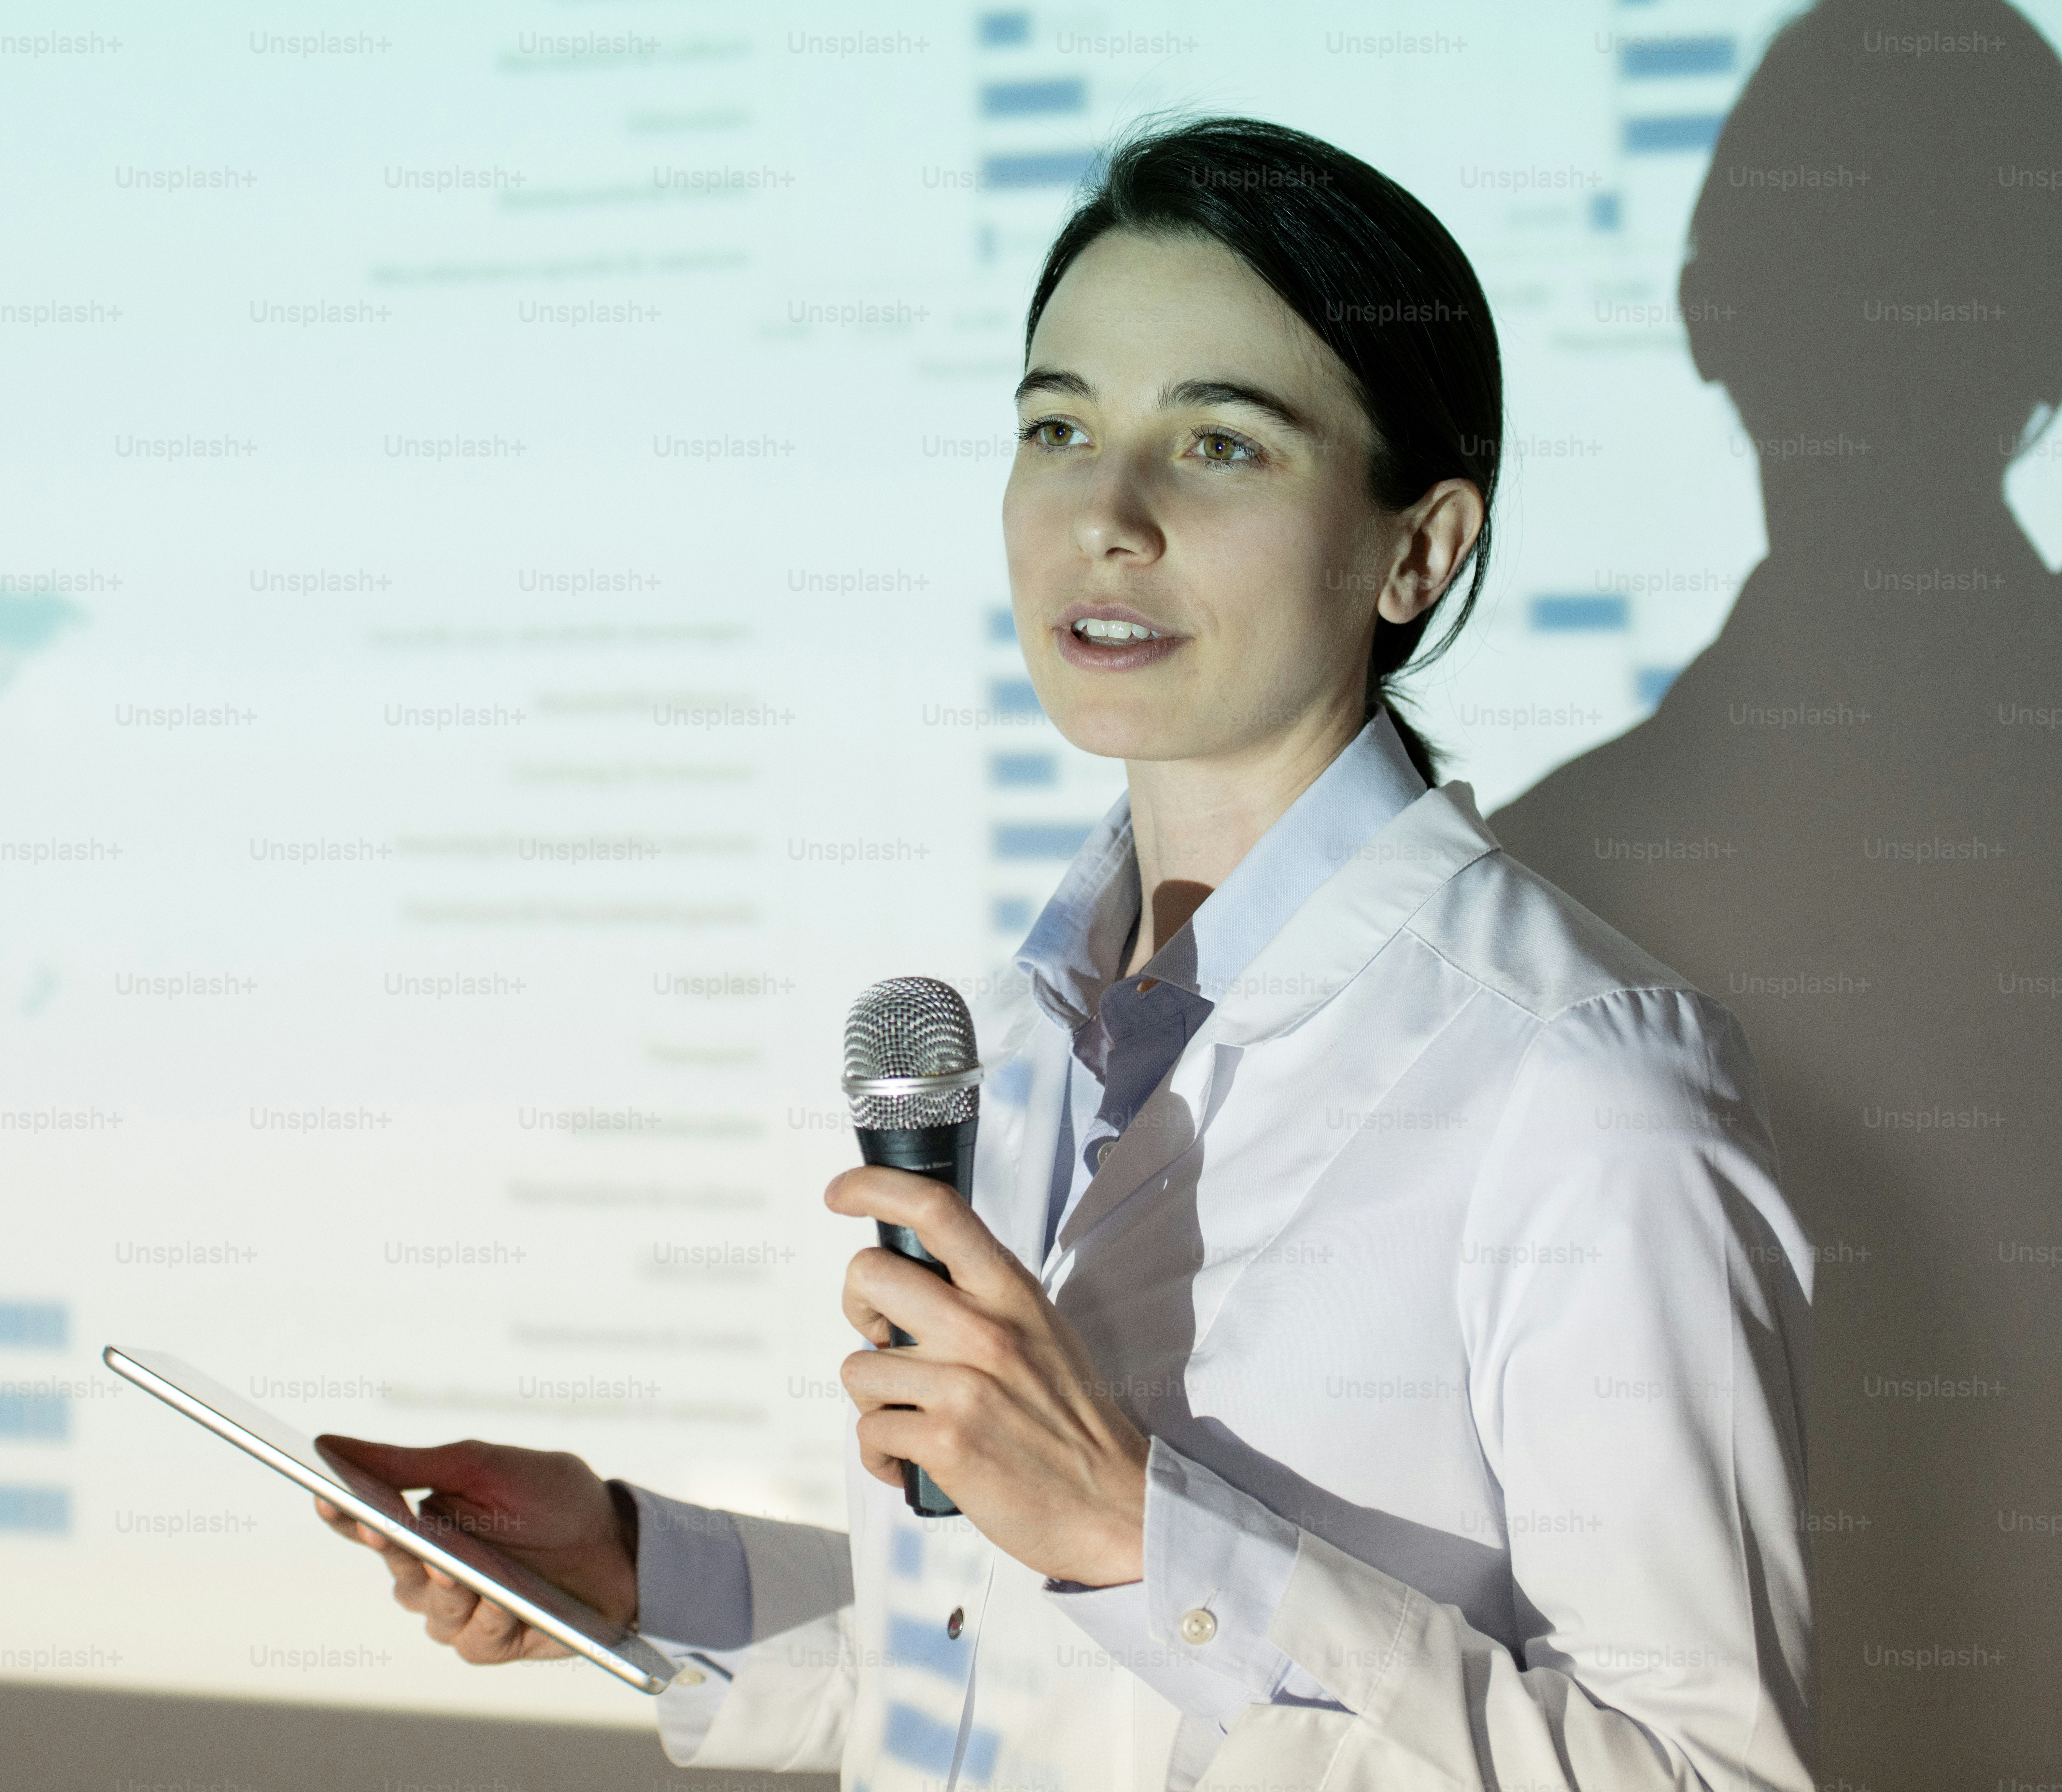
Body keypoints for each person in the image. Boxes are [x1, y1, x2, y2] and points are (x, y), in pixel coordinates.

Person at [315, 116, 1816, 1792]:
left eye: (1219, 445)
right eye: (1057, 424)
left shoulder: (1583, 1083)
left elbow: (1704, 1776)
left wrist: (1130, 1524)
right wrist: (635, 1566)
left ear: (1418, 547)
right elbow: (1031, 1668)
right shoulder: (1019, 1039)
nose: (1104, 512)